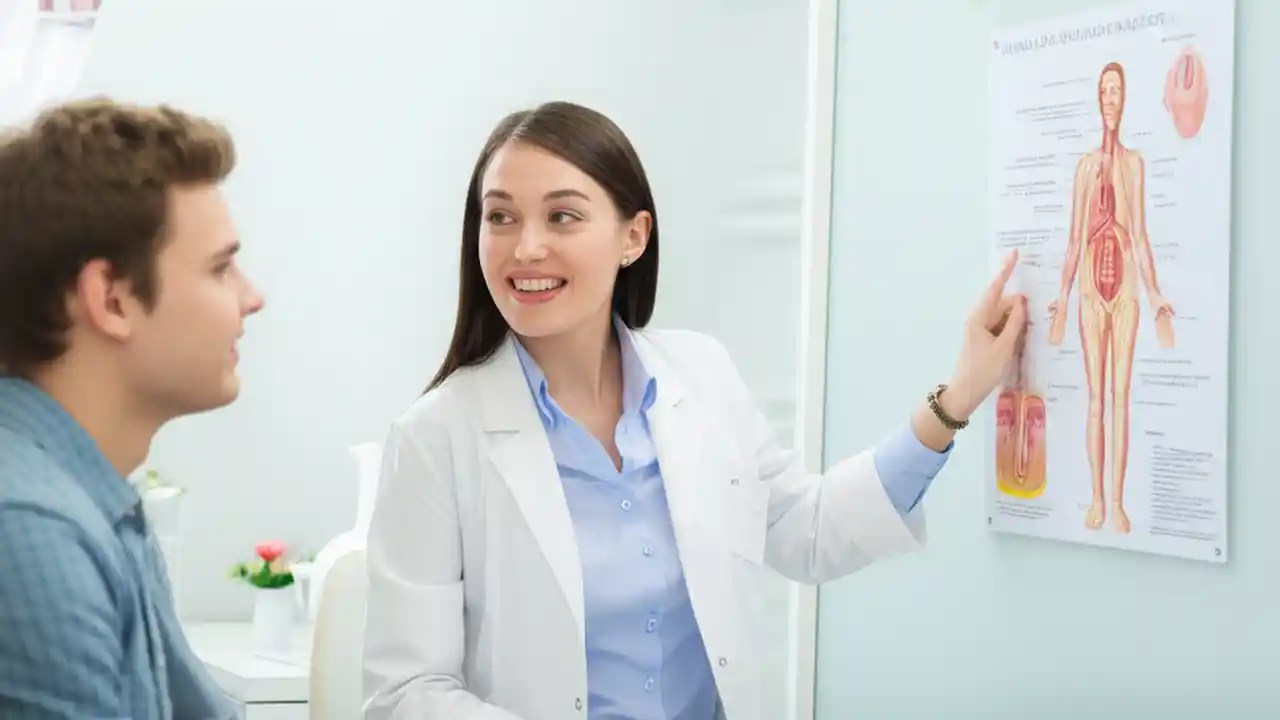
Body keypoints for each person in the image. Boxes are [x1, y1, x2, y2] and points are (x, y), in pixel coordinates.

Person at [362, 101, 1027, 720]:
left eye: (562, 216)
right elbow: (406, 695)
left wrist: (961, 394)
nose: (525, 246)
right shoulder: (434, 440)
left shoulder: (701, 375)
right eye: (500, 216)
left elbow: (809, 528)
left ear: (634, 236)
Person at [0, 97, 264, 718]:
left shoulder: (95, 504)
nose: (252, 298)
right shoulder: (32, 527)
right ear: (112, 300)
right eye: (221, 268)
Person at [1047, 61, 1175, 534]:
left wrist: (1156, 292)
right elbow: (1074, 239)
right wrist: (1061, 295)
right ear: (1096, 97)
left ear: (1125, 99)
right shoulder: (1084, 168)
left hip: (1125, 291)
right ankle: (1097, 498)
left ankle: (1118, 502)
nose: (1109, 98)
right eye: (1103, 90)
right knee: (1096, 399)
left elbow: (1140, 236)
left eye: (1116, 91)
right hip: (1088, 290)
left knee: (1121, 395)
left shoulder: (1134, 165)